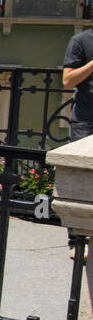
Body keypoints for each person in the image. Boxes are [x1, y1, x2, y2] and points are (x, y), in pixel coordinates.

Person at [61, 23, 93, 255]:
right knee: (81, 180)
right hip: (86, 121)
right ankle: (77, 242)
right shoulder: (81, 41)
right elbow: (68, 81)